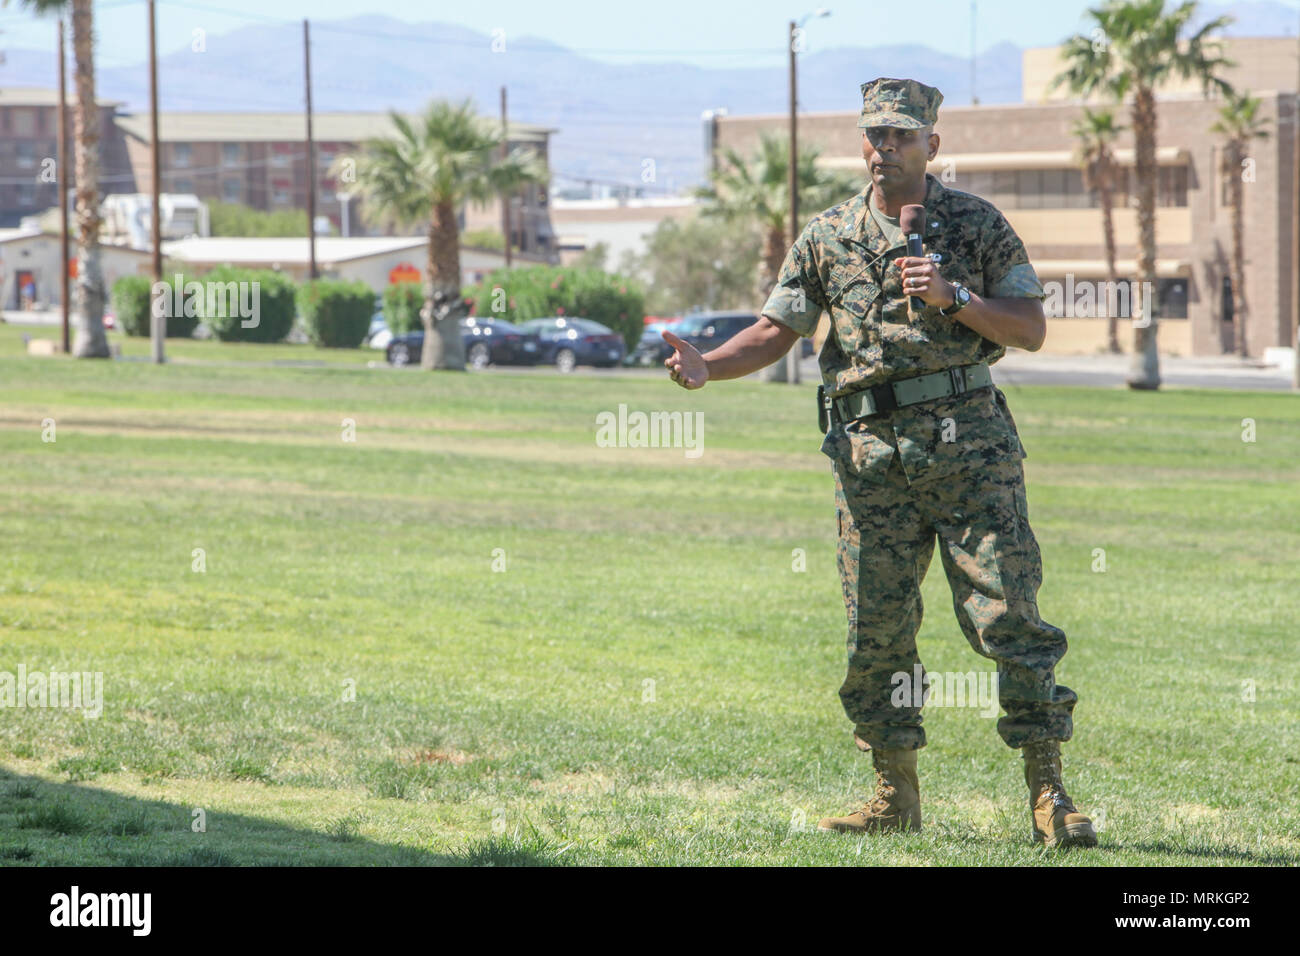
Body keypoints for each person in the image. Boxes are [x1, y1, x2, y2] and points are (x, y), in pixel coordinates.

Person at [662, 77, 1097, 849]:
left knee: (1009, 619)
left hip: (972, 457)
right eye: (873, 135)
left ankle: (1050, 793)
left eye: (900, 135)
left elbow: (1029, 327)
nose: (883, 148)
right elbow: (775, 331)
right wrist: (709, 366)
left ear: (933, 144)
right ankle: (894, 793)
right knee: (878, 630)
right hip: (870, 463)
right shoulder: (827, 236)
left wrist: (954, 295)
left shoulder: (974, 224)